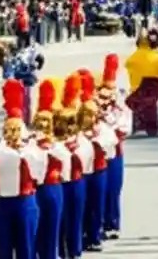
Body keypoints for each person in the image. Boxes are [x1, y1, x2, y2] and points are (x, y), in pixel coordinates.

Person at [0, 78, 46, 259]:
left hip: (25, 202)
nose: (12, 135)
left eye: (15, 131)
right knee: (4, 249)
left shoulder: (30, 149)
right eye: (8, 131)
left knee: (26, 248)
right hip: (3, 203)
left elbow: (39, 173)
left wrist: (25, 147)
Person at [78, 70, 116, 253]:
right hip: (82, 173)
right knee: (82, 205)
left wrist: (95, 141)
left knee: (96, 204)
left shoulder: (103, 129)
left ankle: (94, 235)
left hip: (99, 171)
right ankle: (81, 236)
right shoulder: (76, 132)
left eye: (92, 115)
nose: (89, 119)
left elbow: (111, 143)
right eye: (86, 115)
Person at [32, 79, 69, 259]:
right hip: (33, 188)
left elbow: (65, 160)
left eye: (47, 122)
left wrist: (50, 146)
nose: (43, 126)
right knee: (34, 228)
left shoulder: (56, 145)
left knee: (53, 226)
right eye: (40, 122)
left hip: (53, 186)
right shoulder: (30, 143)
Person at [97, 54, 131, 241]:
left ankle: (112, 222)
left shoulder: (121, 107)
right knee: (101, 189)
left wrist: (109, 117)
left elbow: (125, 127)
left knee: (114, 188)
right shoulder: (96, 104)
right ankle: (98, 223)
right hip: (99, 154)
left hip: (115, 151)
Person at [58, 74, 91, 259]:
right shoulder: (54, 143)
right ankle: (59, 251)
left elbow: (85, 162)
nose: (67, 127)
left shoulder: (82, 141)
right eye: (64, 123)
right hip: (60, 184)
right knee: (60, 221)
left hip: (76, 182)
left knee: (75, 218)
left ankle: (75, 251)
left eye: (70, 123)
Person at [125, 29, 158, 136]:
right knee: (151, 106)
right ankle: (151, 128)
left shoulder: (133, 57)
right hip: (153, 84)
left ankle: (138, 125)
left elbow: (128, 66)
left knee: (136, 105)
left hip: (137, 84)